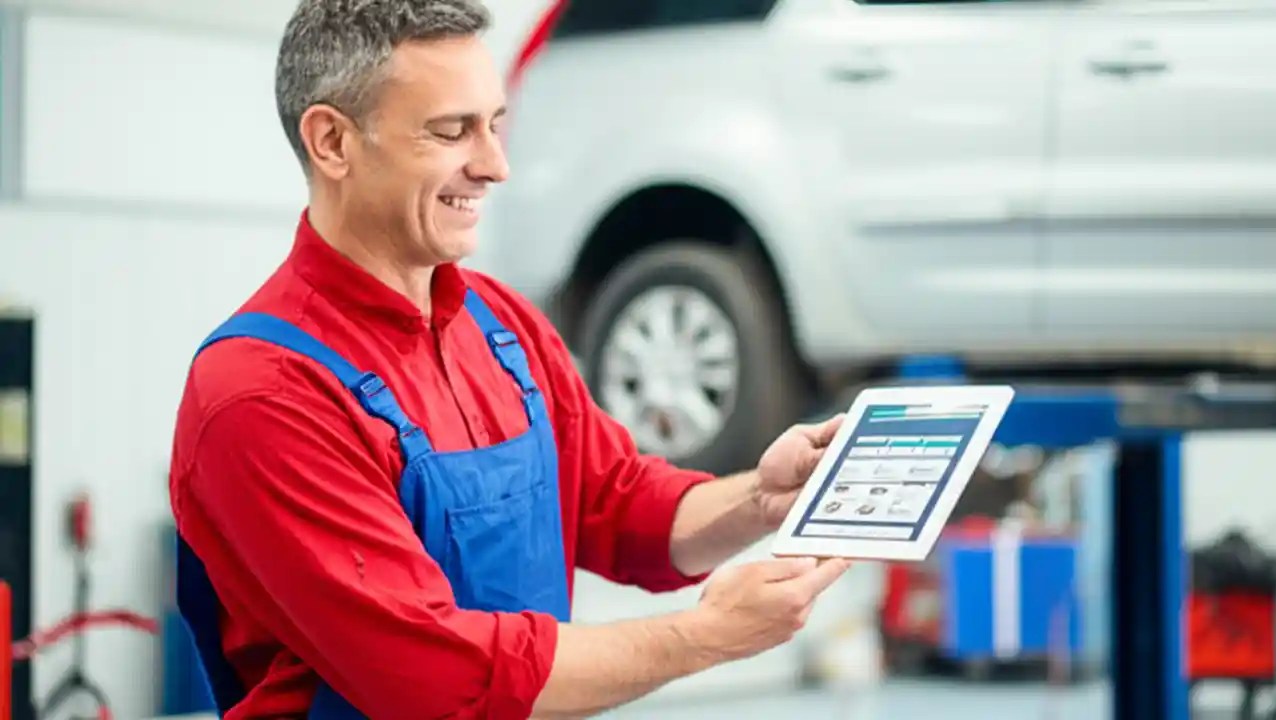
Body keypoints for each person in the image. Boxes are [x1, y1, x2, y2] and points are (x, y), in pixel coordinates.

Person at [167, 1, 853, 718]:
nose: (494, 165)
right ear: (332, 142)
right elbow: (432, 672)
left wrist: (763, 500)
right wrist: (703, 638)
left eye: (494, 124)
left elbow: (617, 507)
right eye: (451, 131)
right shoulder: (261, 393)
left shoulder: (501, 326)